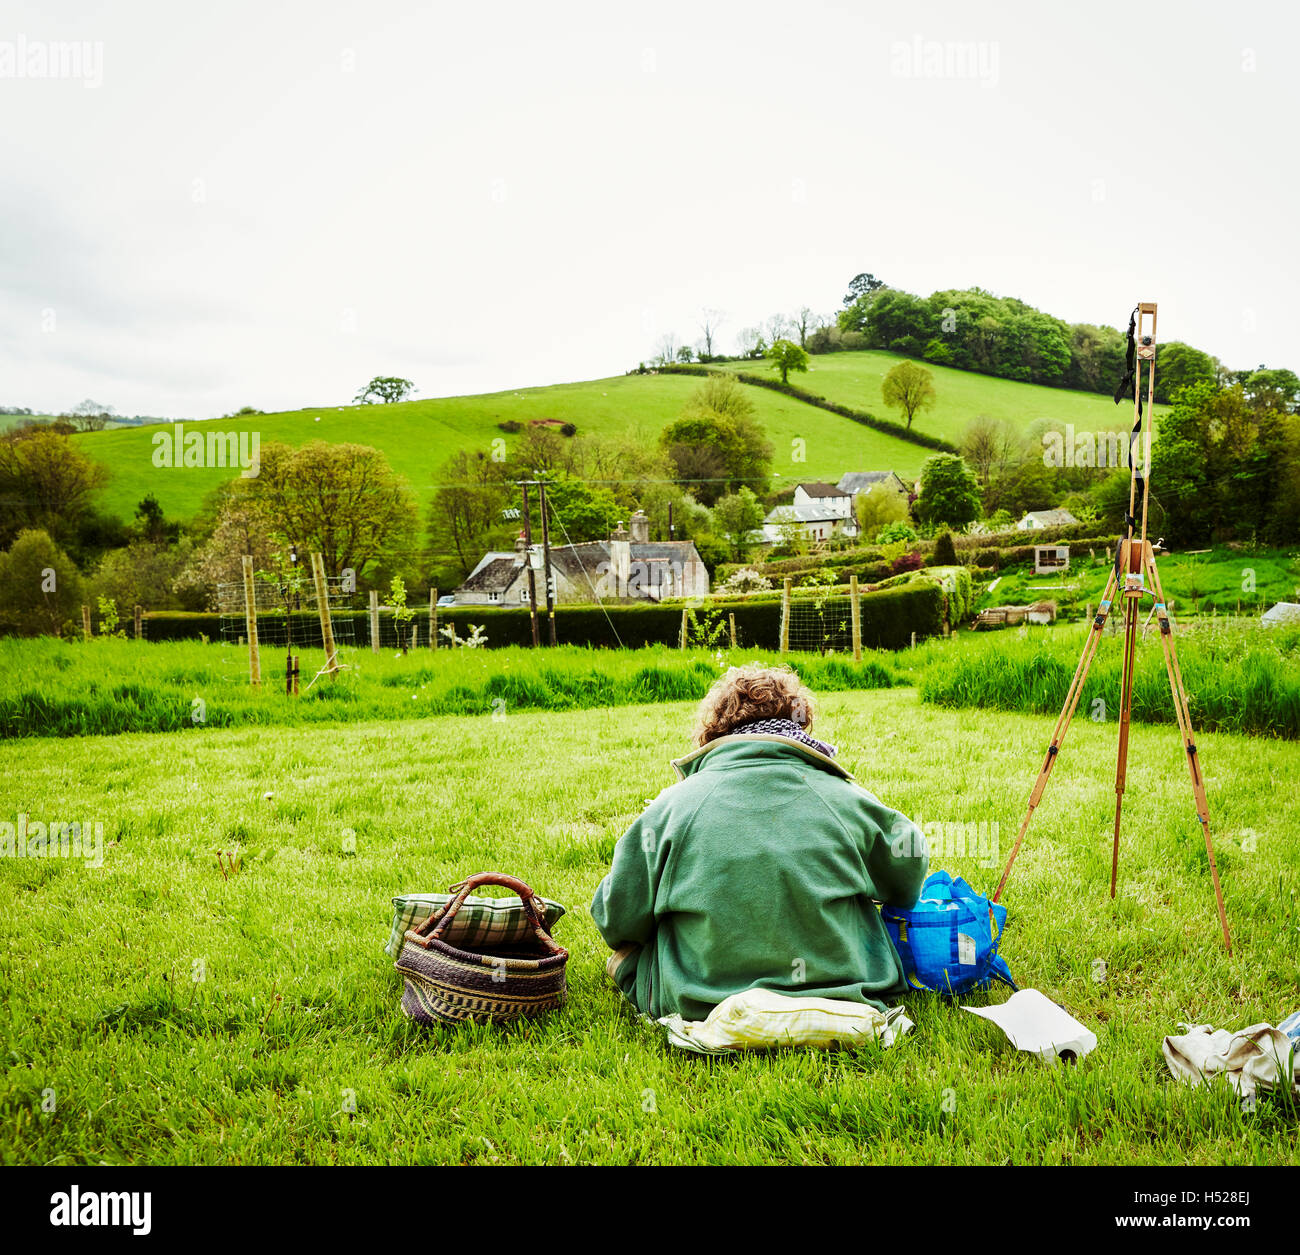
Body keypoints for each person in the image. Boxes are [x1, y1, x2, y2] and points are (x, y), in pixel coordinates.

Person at [591, 663, 928, 1023]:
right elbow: (908, 875)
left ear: (714, 734)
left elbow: (616, 920)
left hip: (701, 1003)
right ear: (799, 728)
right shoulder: (845, 798)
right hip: (847, 995)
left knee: (630, 951)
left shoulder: (671, 808)